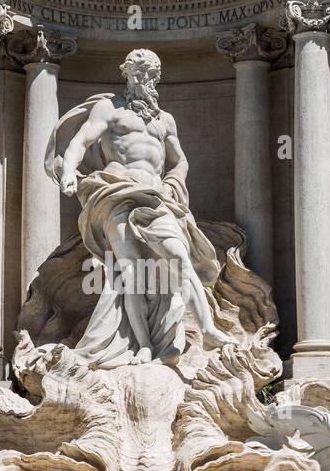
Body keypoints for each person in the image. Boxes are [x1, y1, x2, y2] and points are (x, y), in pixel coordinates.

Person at [46, 48, 234, 365]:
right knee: (130, 272)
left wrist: (174, 183)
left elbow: (180, 160)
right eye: (138, 73)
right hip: (116, 191)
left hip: (157, 196)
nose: (144, 79)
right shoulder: (109, 109)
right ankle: (143, 345)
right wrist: (68, 173)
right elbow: (81, 141)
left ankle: (209, 328)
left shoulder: (165, 121)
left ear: (157, 78)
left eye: (149, 74)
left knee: (178, 256)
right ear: (128, 75)